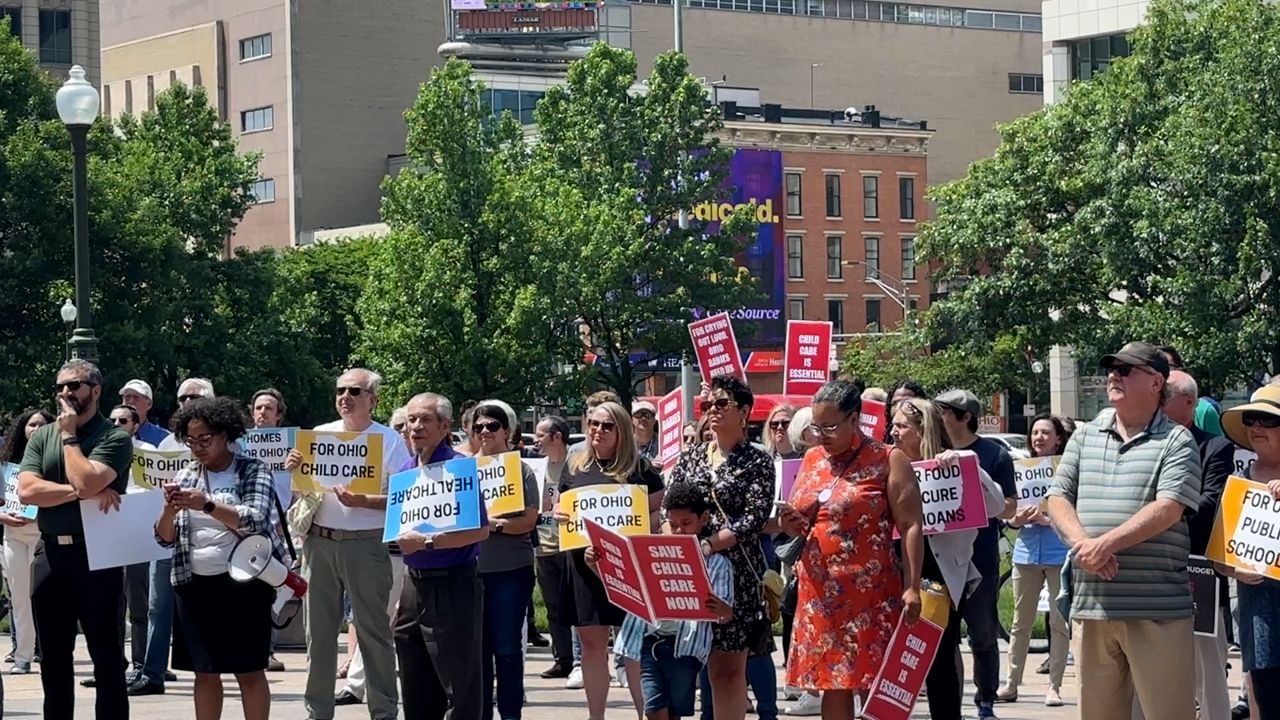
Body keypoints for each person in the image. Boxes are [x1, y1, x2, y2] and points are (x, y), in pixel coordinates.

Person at [1046, 341, 1201, 720]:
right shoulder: (1085, 435)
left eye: (1126, 369)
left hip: (1157, 609)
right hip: (1091, 606)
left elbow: (1168, 508)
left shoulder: (1177, 440)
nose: (1113, 375)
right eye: (1111, 369)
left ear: (1155, 382)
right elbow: (1056, 499)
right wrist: (1086, 547)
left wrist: (1105, 545)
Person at [776, 381, 924, 720]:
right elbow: (800, 515)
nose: (821, 434)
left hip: (869, 594)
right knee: (832, 680)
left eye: (829, 426)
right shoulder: (813, 458)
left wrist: (912, 587)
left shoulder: (888, 459)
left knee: (873, 681)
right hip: (819, 593)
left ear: (854, 419)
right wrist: (790, 522)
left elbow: (912, 525)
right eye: (816, 426)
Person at [287, 368, 410, 720]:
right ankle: (318, 712)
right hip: (319, 543)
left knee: (373, 635)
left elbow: (404, 498)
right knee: (319, 635)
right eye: (341, 390)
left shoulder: (388, 441)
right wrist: (293, 469)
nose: (345, 397)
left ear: (373, 400)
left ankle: (384, 711)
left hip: (366, 544)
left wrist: (364, 501)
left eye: (355, 391)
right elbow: (302, 492)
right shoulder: (318, 436)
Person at [17, 360, 134, 720]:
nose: (65, 394)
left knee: (106, 656)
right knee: (53, 657)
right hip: (50, 553)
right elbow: (26, 490)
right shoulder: (41, 435)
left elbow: (88, 480)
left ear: (95, 391)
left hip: (98, 555)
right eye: (60, 387)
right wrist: (79, 492)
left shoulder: (114, 437)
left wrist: (70, 438)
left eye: (74, 386)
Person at [153, 396, 283, 720]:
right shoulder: (185, 476)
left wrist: (206, 504)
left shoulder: (253, 469)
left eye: (205, 439)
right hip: (194, 584)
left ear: (226, 434)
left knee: (249, 670)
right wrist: (169, 510)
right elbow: (163, 538)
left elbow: (256, 519)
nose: (197, 447)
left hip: (244, 584)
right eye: (190, 440)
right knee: (204, 671)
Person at [888, 397, 1008, 720]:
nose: (894, 432)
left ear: (922, 429)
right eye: (892, 424)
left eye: (901, 426)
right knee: (894, 661)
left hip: (941, 576)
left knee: (940, 661)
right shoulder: (890, 465)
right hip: (897, 571)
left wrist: (970, 467)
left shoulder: (951, 465)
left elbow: (997, 506)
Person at [668, 377, 775, 720]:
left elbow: (752, 519)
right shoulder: (691, 457)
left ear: (744, 412)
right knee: (686, 664)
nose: (712, 411)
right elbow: (671, 506)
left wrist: (709, 544)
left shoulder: (757, 461)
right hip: (692, 570)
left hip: (737, 575)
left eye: (722, 404)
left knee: (728, 671)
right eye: (708, 405)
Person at [556, 400, 665, 720]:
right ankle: (596, 716)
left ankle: (645, 714)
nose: (597, 431)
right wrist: (559, 515)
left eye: (607, 426)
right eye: (593, 423)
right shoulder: (574, 466)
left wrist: (644, 521)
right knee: (591, 646)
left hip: (627, 566)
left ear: (622, 431)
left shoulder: (642, 470)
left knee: (632, 648)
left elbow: (658, 511)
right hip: (584, 565)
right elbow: (559, 508)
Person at [392, 392, 491, 720]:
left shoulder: (459, 469)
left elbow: (480, 531)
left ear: (445, 426)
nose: (416, 427)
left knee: (460, 688)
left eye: (425, 420)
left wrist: (428, 543)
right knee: (416, 684)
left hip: (453, 582)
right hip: (413, 585)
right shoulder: (406, 471)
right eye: (411, 420)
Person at [609, 482, 735, 720]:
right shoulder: (650, 553)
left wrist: (721, 609)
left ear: (704, 519)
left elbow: (725, 614)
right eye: (673, 525)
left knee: (675, 712)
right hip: (648, 643)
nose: (678, 532)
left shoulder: (717, 564)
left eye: (686, 524)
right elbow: (626, 585)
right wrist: (598, 563)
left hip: (685, 650)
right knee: (654, 709)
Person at [933, 388, 1017, 719]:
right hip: (942, 560)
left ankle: (985, 700)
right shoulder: (933, 453)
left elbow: (1009, 506)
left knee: (982, 633)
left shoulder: (994, 455)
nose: (938, 419)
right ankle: (949, 701)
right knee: (944, 636)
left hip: (980, 557)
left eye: (944, 412)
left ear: (966, 417)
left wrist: (977, 494)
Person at [132, 377, 215, 696]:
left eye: (194, 397)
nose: (187, 403)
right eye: (182, 399)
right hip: (170, 536)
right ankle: (152, 673)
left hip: (209, 541)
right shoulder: (167, 444)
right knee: (157, 606)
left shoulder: (229, 442)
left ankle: (213, 669)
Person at [1159, 370, 1233, 720]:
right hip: (1151, 569)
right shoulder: (1147, 444)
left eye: (1164, 397)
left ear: (1188, 402)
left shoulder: (1215, 447)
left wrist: (1158, 517)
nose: (1156, 405)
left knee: (1208, 665)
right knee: (1155, 665)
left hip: (1199, 569)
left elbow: (1209, 504)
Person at [469, 402, 540, 720]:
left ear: (506, 432)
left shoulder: (521, 470)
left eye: (492, 426)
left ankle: (510, 713)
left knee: (507, 648)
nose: (485, 432)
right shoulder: (463, 470)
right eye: (479, 427)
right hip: (470, 570)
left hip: (512, 571)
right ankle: (482, 712)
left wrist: (492, 523)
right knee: (478, 652)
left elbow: (527, 522)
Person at [997, 412, 1071, 707]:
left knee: (1059, 621)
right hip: (1026, 553)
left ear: (1058, 439)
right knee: (1020, 621)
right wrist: (1015, 519)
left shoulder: (1066, 469)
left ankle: (1054, 686)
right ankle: (1011, 683)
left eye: (1045, 433)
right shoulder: (1020, 469)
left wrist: (1049, 518)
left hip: (1058, 552)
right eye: (1035, 433)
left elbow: (1075, 514)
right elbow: (1009, 514)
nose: (1039, 438)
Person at [1218, 381, 1280, 718]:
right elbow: (1219, 553)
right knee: (1266, 701)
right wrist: (1234, 570)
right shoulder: (1236, 482)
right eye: (1252, 419)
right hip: (1259, 616)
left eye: (1268, 420)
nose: (1257, 427)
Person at [0, 409, 53, 675]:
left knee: (44, 597)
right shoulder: (6, 463)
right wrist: (3, 516)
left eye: (41, 425)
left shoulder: (56, 460)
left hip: (44, 535)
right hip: (13, 535)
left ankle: (46, 650)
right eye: (31, 424)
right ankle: (23, 655)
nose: (35, 429)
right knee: (19, 597)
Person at [108, 403, 155, 685]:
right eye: (112, 420)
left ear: (135, 425)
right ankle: (112, 665)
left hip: (137, 535)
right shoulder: (100, 454)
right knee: (110, 605)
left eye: (123, 420)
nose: (116, 425)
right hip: (109, 535)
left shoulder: (148, 454)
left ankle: (141, 664)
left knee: (138, 604)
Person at [249, 387, 291, 673]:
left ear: (279, 416)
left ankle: (267, 649)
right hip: (245, 526)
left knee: (270, 591)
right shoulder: (239, 445)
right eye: (258, 408)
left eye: (269, 408)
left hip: (277, 527)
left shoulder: (292, 448)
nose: (263, 412)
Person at [534, 415, 576, 680]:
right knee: (553, 607)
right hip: (544, 547)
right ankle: (563, 660)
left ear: (557, 436)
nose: (536, 440)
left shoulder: (577, 465)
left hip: (571, 546)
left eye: (540, 434)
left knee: (577, 606)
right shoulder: (535, 468)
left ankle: (583, 660)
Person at [119, 379, 171, 446]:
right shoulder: (109, 433)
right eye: (127, 397)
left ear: (149, 404)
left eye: (136, 398)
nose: (131, 402)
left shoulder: (164, 438)